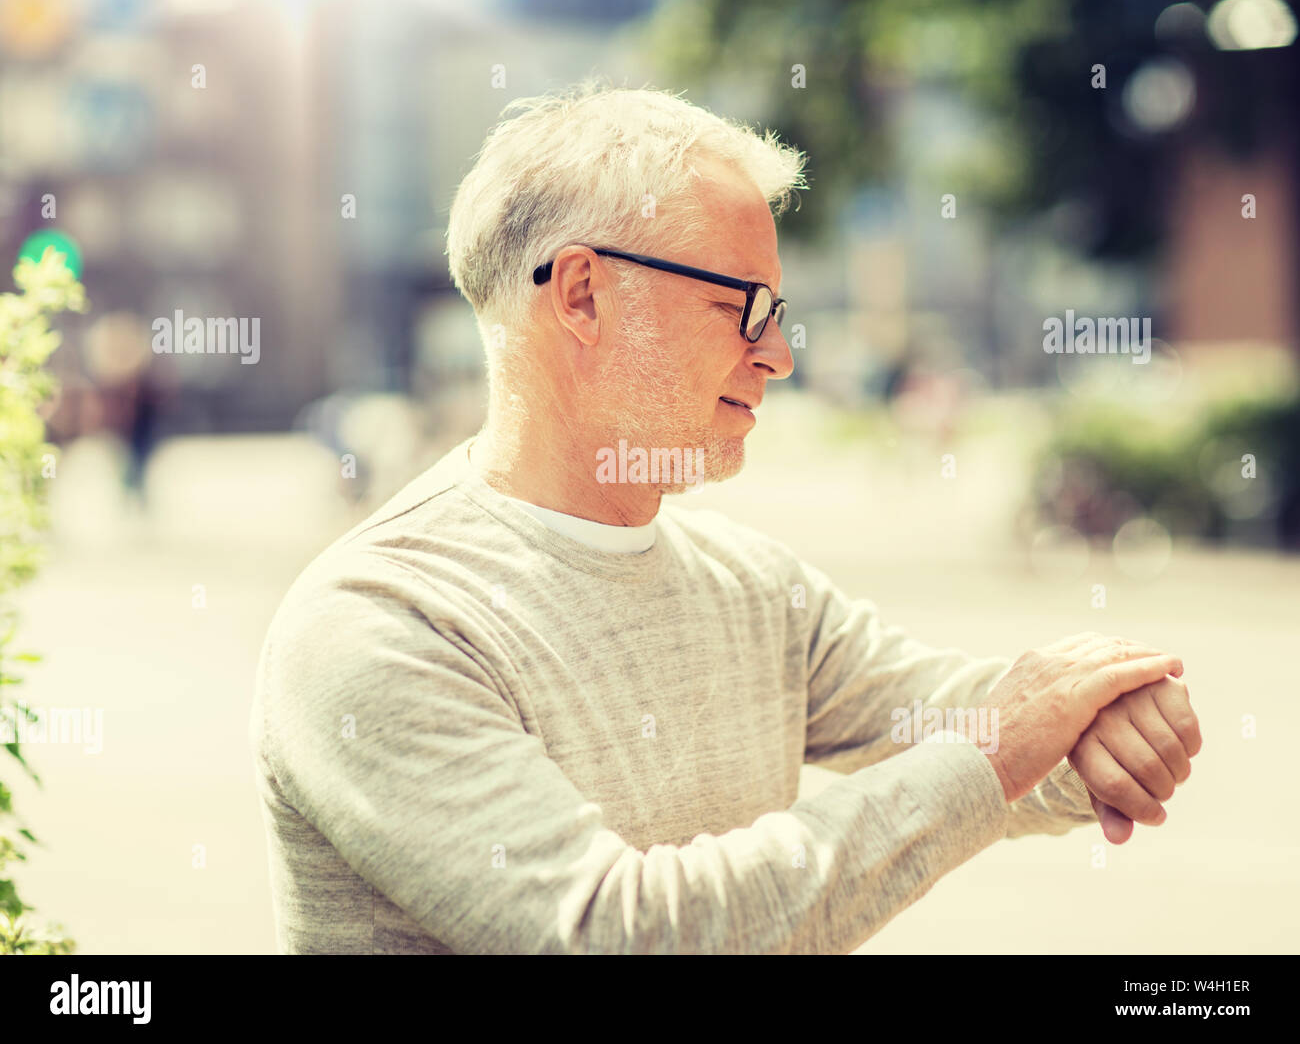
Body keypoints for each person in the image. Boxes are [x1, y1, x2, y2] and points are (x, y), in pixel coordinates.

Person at [249, 81, 1201, 954]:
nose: (779, 355)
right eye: (742, 305)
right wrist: (995, 749)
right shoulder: (377, 621)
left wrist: (1104, 725)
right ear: (581, 293)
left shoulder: (755, 587)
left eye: (777, 309)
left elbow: (958, 720)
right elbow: (616, 933)